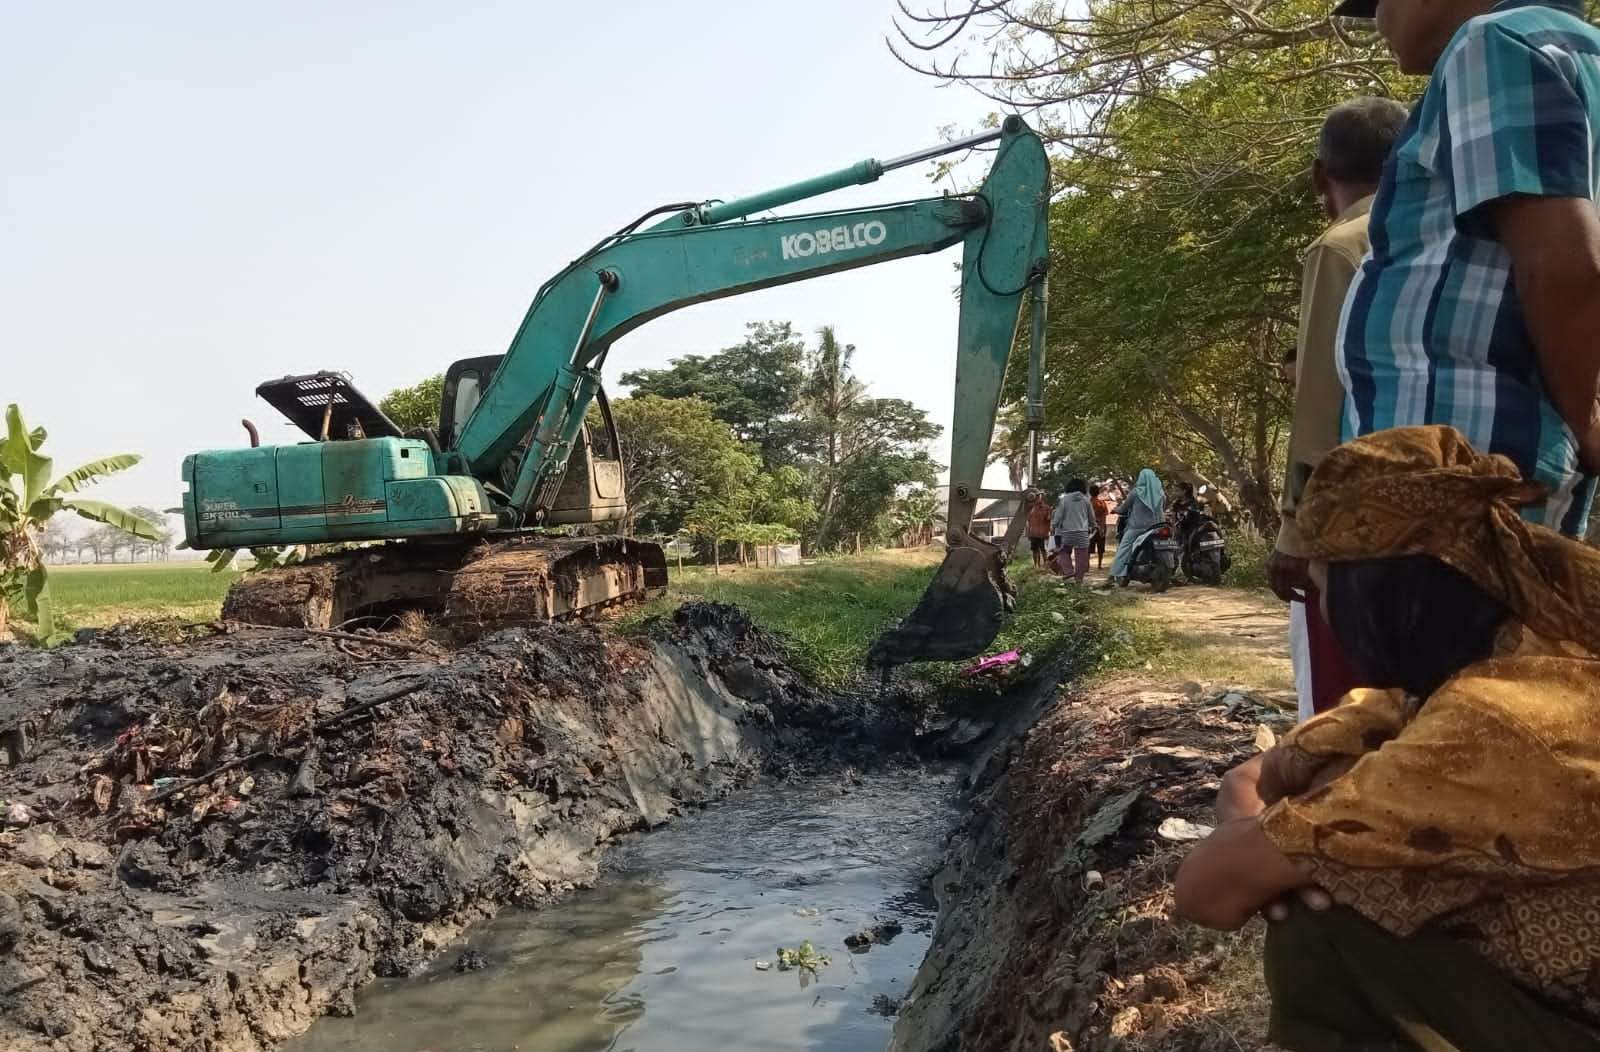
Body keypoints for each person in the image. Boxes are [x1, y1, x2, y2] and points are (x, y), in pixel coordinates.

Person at [1175, 426, 1600, 1049]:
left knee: (1325, 932)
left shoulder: (1488, 727)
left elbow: (1205, 890)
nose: (1320, 613)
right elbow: (1248, 777)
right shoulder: (1506, 665)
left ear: (1370, 593)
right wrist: (1296, 846)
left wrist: (1286, 861)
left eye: (1317, 589)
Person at [1332, 0, 1600, 537]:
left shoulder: (1495, 43)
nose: (1379, 21)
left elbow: (1561, 263)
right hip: (1484, 481)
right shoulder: (1575, 54)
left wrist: (1590, 423)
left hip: (1452, 490)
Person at [1271, 97, 1408, 720]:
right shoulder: (1451, 228)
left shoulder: (1343, 246)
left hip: (1355, 520)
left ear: (1319, 174)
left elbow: (1322, 400)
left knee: (1341, 710)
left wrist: (1296, 530)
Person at [1108, 469, 1165, 585]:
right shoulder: (1160, 493)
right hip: (1157, 527)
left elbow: (1124, 509)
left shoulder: (1136, 492)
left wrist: (1115, 510)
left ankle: (1114, 574)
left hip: (1137, 528)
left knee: (1124, 548)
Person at [1051, 479, 1095, 583]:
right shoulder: (1086, 500)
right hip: (1082, 533)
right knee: (1082, 557)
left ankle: (1069, 572)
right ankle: (1079, 579)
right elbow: (1091, 516)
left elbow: (1058, 515)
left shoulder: (1064, 500)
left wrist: (1054, 525)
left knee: (1064, 552)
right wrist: (1094, 525)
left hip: (1067, 533)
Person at [1025, 488, 1052, 570]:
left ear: (1041, 497)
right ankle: (1036, 565)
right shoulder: (1031, 508)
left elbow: (1049, 520)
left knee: (1043, 549)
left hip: (1042, 533)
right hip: (1033, 533)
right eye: (1036, 496)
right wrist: (1028, 532)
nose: (1037, 498)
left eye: (1038, 496)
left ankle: (1046, 565)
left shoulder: (1046, 508)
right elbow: (1028, 521)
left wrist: (1049, 531)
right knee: (1034, 550)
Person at [1089, 483, 1110, 569]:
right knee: (1100, 547)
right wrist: (1101, 527)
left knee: (1088, 547)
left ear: (1090, 492)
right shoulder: (1102, 503)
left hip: (1090, 528)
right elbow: (1105, 515)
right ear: (1098, 493)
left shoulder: (1088, 503)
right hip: (1101, 527)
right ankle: (1099, 565)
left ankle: (1087, 565)